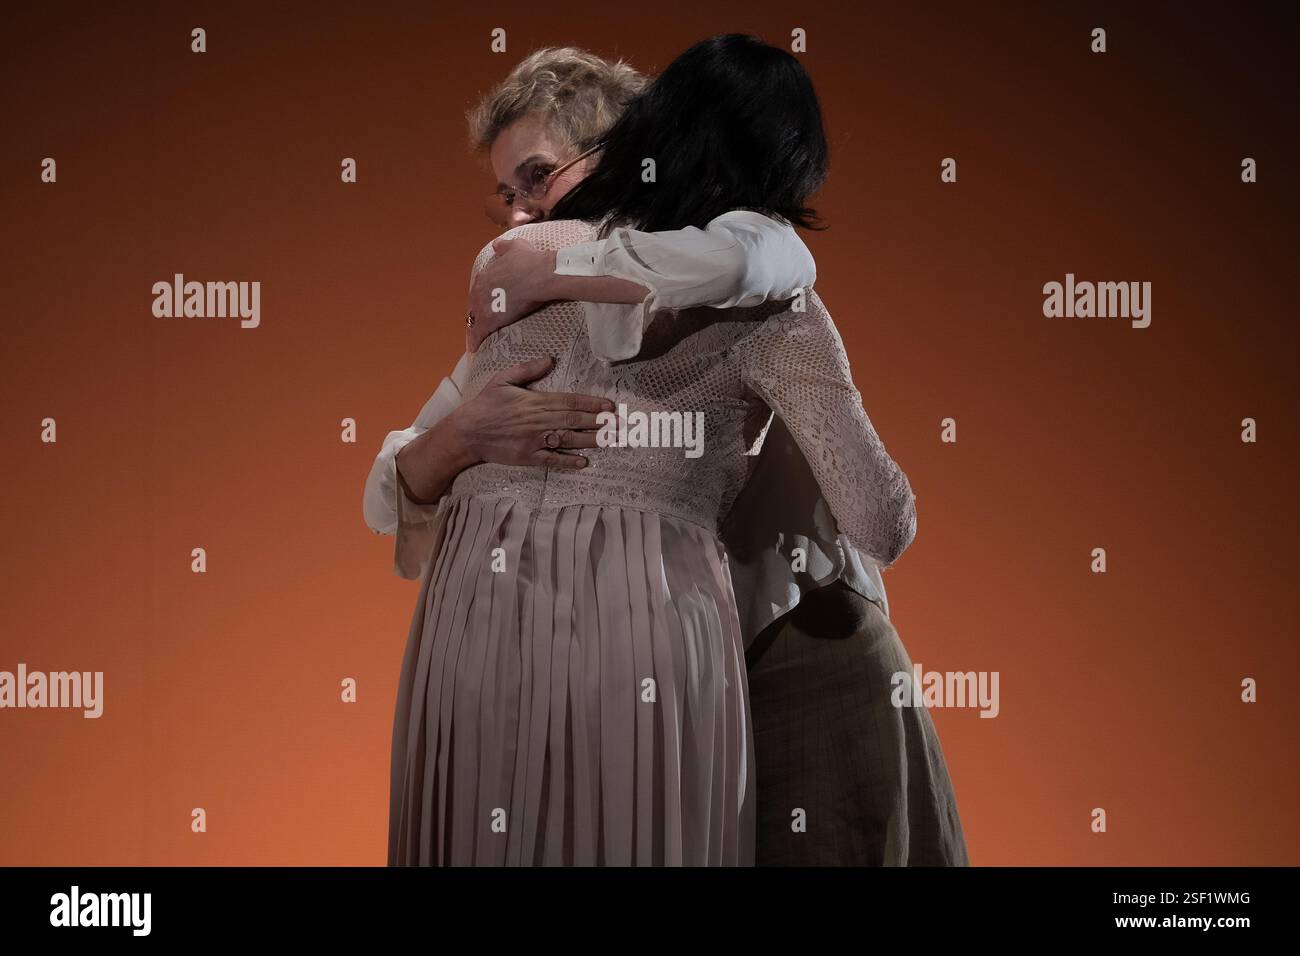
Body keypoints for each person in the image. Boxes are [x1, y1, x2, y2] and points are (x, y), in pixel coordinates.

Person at [366, 42, 967, 866]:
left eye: (537, 179)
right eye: (506, 195)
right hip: (657, 649)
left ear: (629, 148)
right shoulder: (543, 280)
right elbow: (883, 517)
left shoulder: (534, 278)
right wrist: (460, 438)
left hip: (779, 644)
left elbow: (754, 253)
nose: (518, 214)